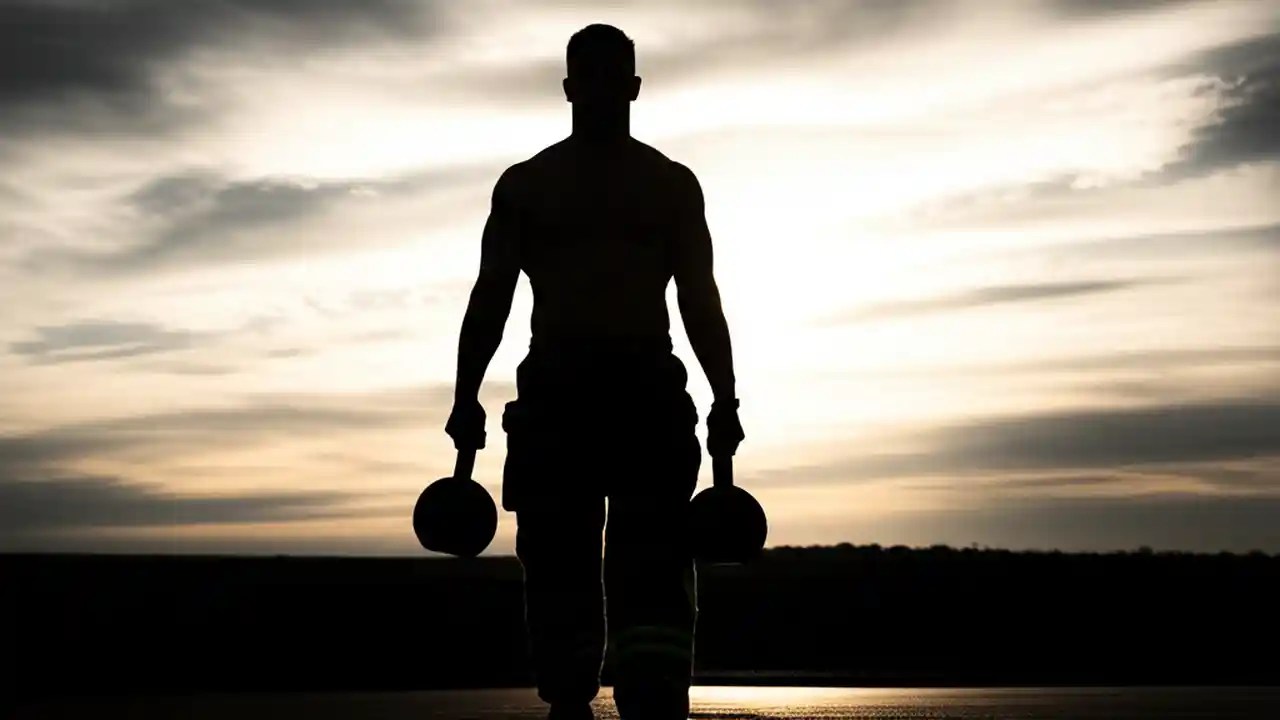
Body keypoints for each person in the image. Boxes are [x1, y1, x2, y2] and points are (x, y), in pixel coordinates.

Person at [445, 23, 744, 720]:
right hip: (575, 400)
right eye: (601, 79)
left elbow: (701, 300)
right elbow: (489, 298)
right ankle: (590, 696)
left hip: (614, 399)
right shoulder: (565, 187)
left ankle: (633, 696)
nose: (606, 92)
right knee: (571, 563)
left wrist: (725, 396)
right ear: (578, 88)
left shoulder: (576, 186)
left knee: (625, 563)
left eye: (611, 79)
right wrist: (465, 397)